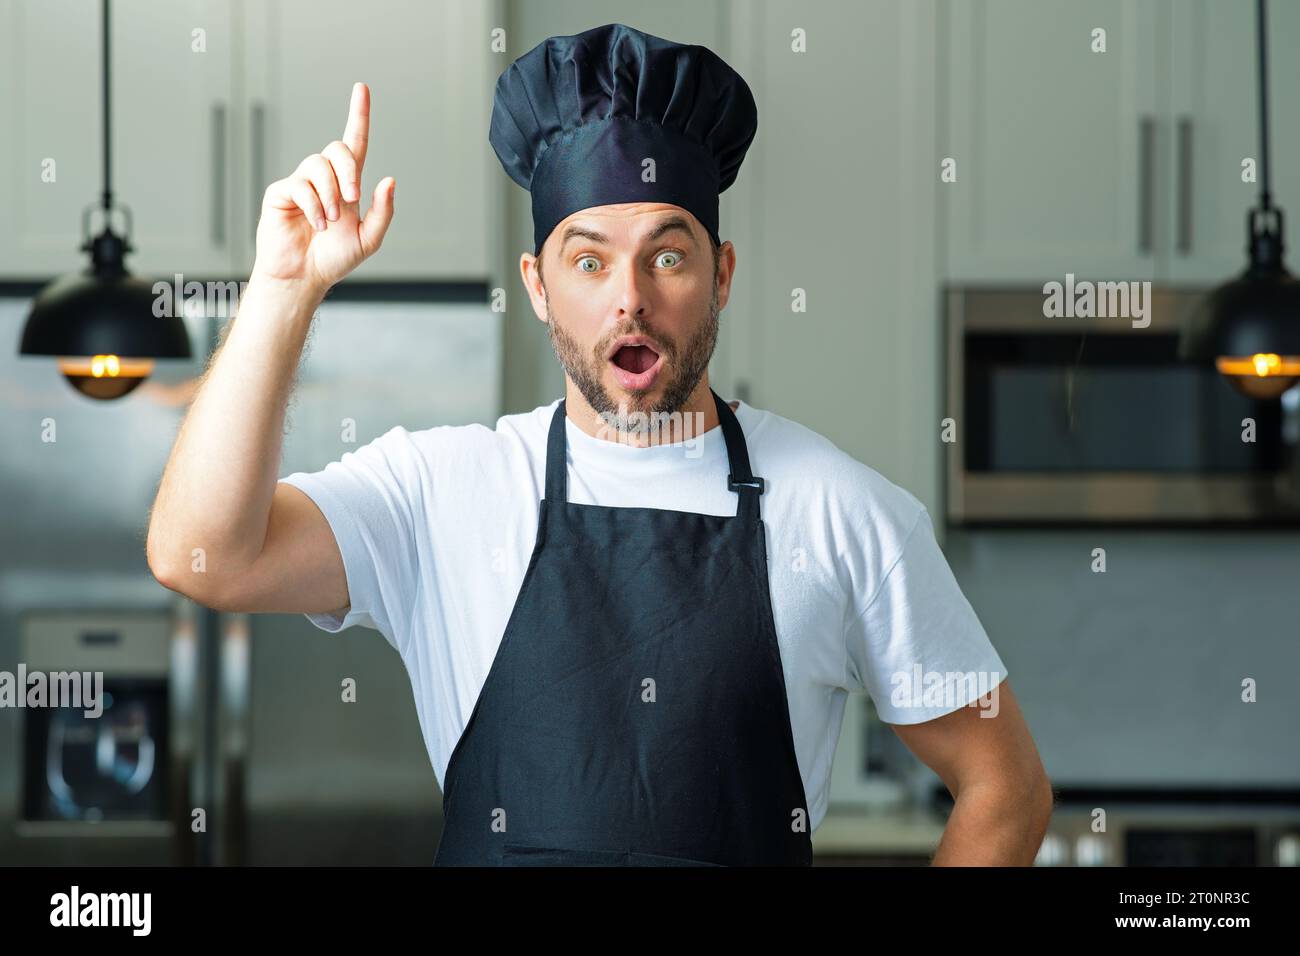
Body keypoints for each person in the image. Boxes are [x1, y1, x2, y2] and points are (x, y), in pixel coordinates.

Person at [147, 22, 1052, 867]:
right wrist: (281, 287)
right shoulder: (445, 491)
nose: (630, 298)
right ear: (538, 287)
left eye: (668, 255)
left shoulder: (840, 509)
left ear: (721, 275)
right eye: (588, 261)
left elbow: (1004, 787)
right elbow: (203, 558)